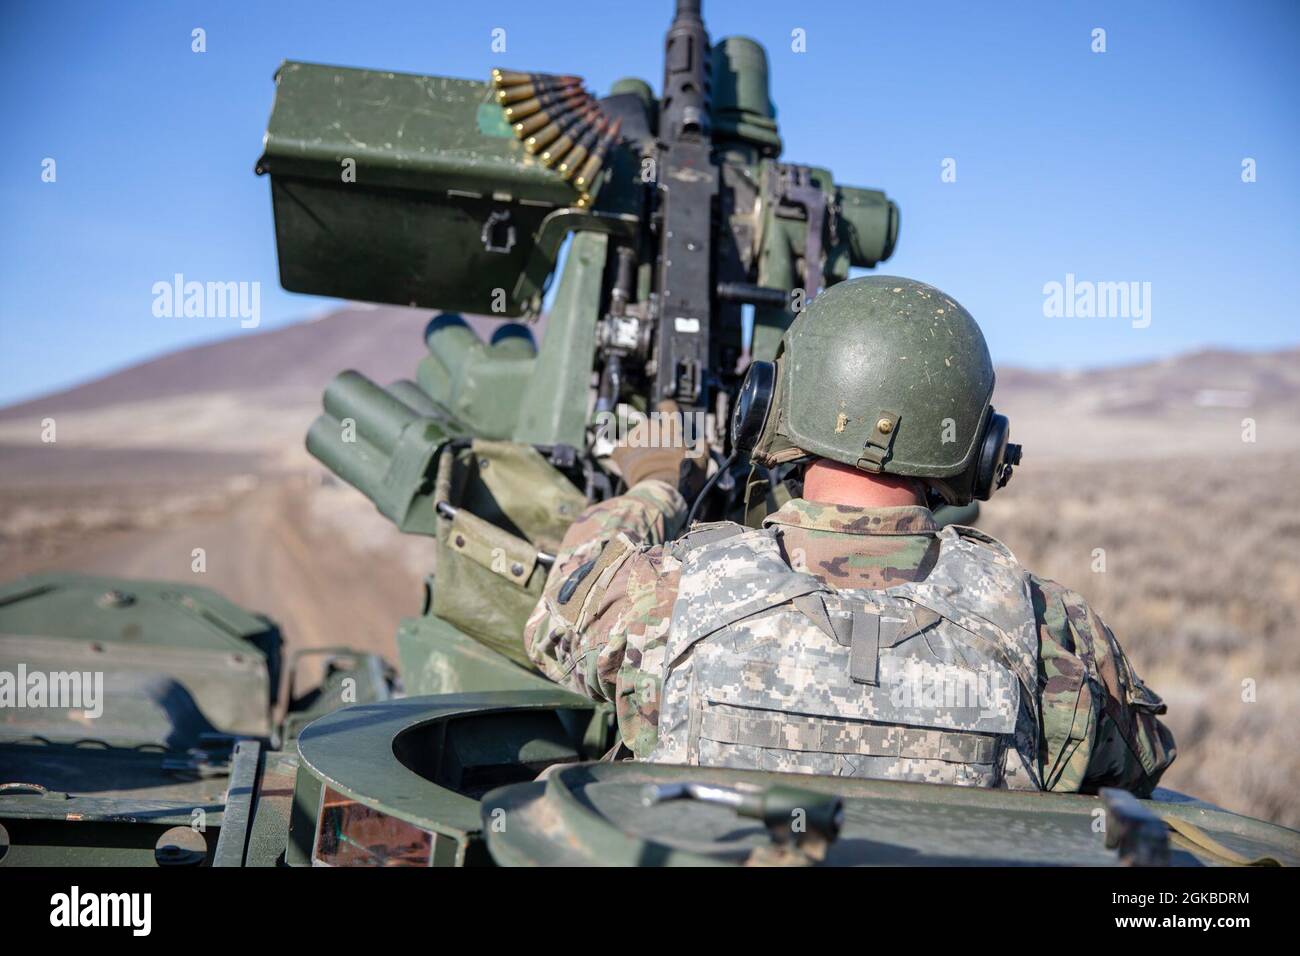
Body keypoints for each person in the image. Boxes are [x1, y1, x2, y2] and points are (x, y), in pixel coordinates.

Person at [523, 276, 1175, 795]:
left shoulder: (668, 600)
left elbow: (563, 604)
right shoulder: (1046, 632)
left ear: (770, 410)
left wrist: (655, 486)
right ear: (981, 451)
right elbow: (1140, 765)